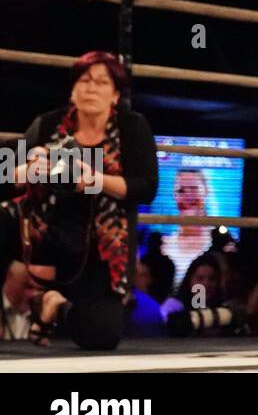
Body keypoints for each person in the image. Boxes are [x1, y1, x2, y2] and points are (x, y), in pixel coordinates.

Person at [0, 51, 158, 349]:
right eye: (84, 81)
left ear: (115, 95)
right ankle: (40, 294)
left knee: (101, 335)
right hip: (46, 234)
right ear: (73, 91)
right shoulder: (48, 126)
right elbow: (2, 170)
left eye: (102, 82)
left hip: (101, 248)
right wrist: (26, 171)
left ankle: (53, 305)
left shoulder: (132, 127)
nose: (91, 88)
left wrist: (95, 180)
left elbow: (146, 187)